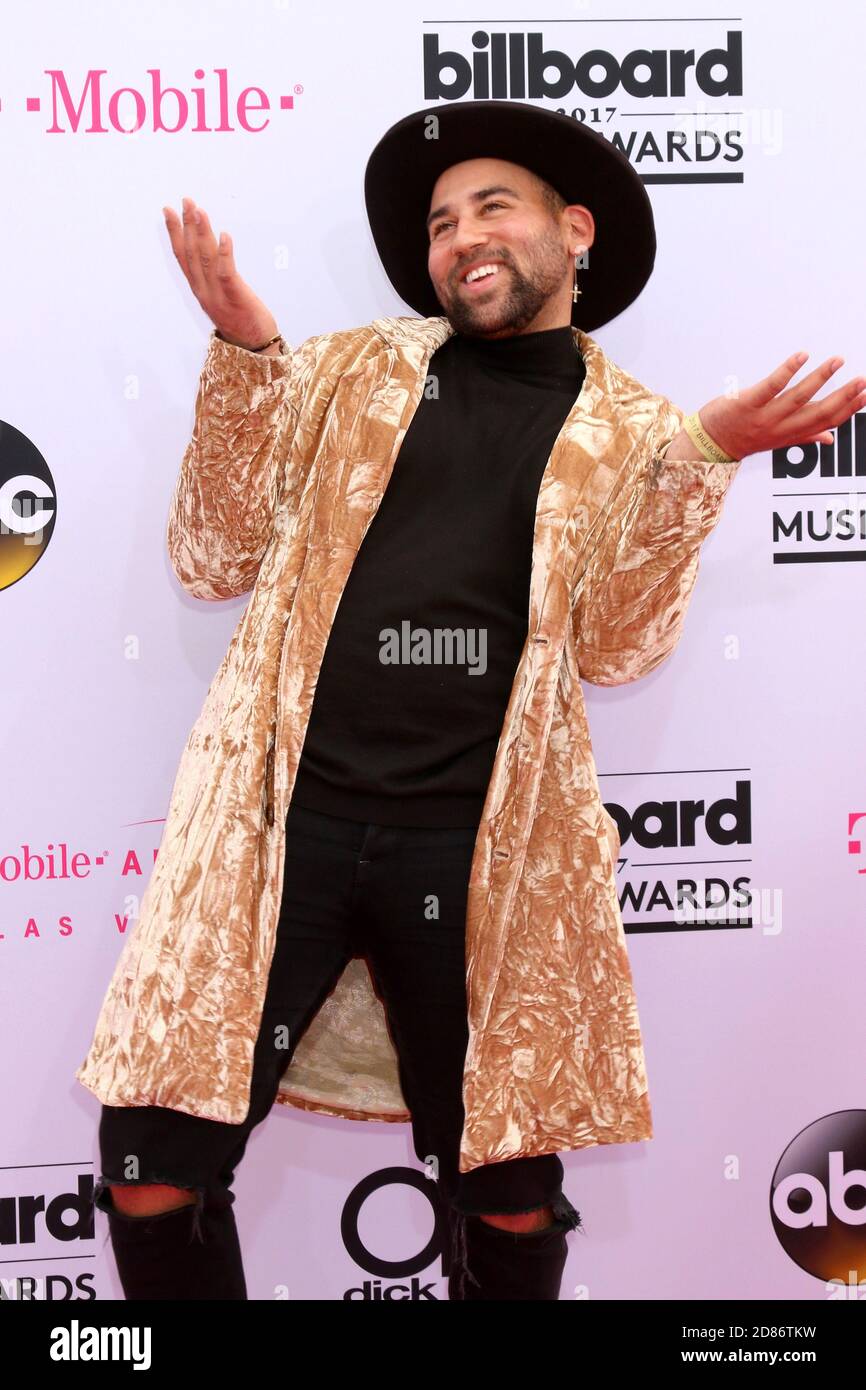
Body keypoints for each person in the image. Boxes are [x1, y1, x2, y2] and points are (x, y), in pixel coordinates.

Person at [75, 101, 866, 1301]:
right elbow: (210, 555)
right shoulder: (347, 370)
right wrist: (243, 359)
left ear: (574, 231)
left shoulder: (638, 429)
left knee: (501, 1185)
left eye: (491, 205)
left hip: (482, 853)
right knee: (151, 1156)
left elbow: (615, 645)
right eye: (441, 222)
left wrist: (700, 461)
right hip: (278, 832)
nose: (458, 236)